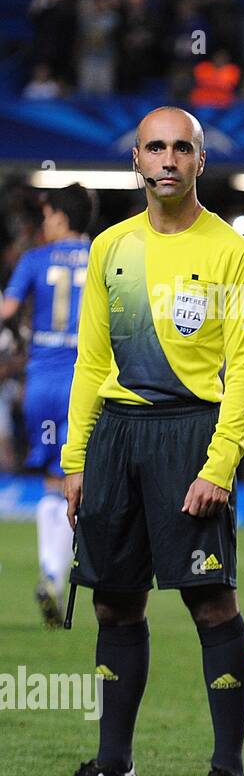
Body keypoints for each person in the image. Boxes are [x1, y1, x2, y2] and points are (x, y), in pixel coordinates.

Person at [46, 107, 244, 776]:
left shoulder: (234, 252)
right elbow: (90, 361)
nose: (168, 158)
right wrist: (75, 459)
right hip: (116, 435)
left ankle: (229, 770)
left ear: (200, 160)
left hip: (190, 434)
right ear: (137, 161)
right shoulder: (108, 246)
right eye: (155, 147)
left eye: (182, 147)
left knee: (210, 601)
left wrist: (220, 463)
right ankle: (114, 766)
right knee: (114, 603)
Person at [1, 183, 96, 627]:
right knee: (81, 474)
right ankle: (75, 572)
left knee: (50, 478)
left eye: (46, 216)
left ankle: (52, 573)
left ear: (59, 215)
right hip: (88, 383)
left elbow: (7, 311)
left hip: (43, 381)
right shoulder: (103, 255)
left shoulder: (36, 260)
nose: (44, 224)